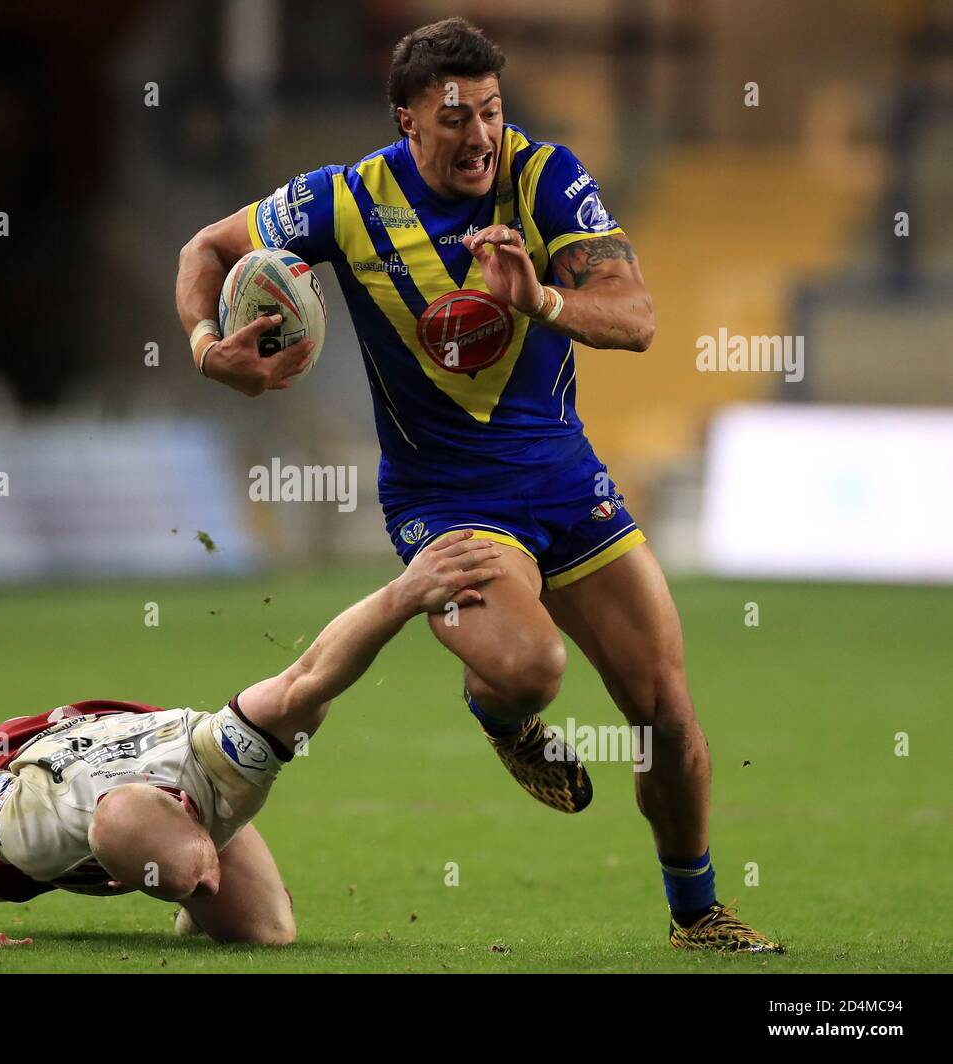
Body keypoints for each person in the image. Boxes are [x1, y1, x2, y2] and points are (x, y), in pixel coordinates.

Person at [174, 17, 781, 951]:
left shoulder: (545, 179)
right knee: (533, 670)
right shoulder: (343, 200)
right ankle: (498, 712)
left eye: (491, 112)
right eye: (455, 118)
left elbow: (636, 316)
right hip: (449, 504)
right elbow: (205, 252)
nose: (480, 136)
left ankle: (696, 915)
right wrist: (210, 350)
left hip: (568, 486)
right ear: (406, 121)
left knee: (664, 709)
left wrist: (539, 297)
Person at [0, 531, 502, 948]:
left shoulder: (217, 756)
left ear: (190, 814)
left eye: (200, 874)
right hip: (46, 769)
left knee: (269, 933)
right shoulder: (35, 830)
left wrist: (403, 593)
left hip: (122, 736)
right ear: (114, 877)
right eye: (189, 887)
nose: (211, 881)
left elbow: (308, 678)